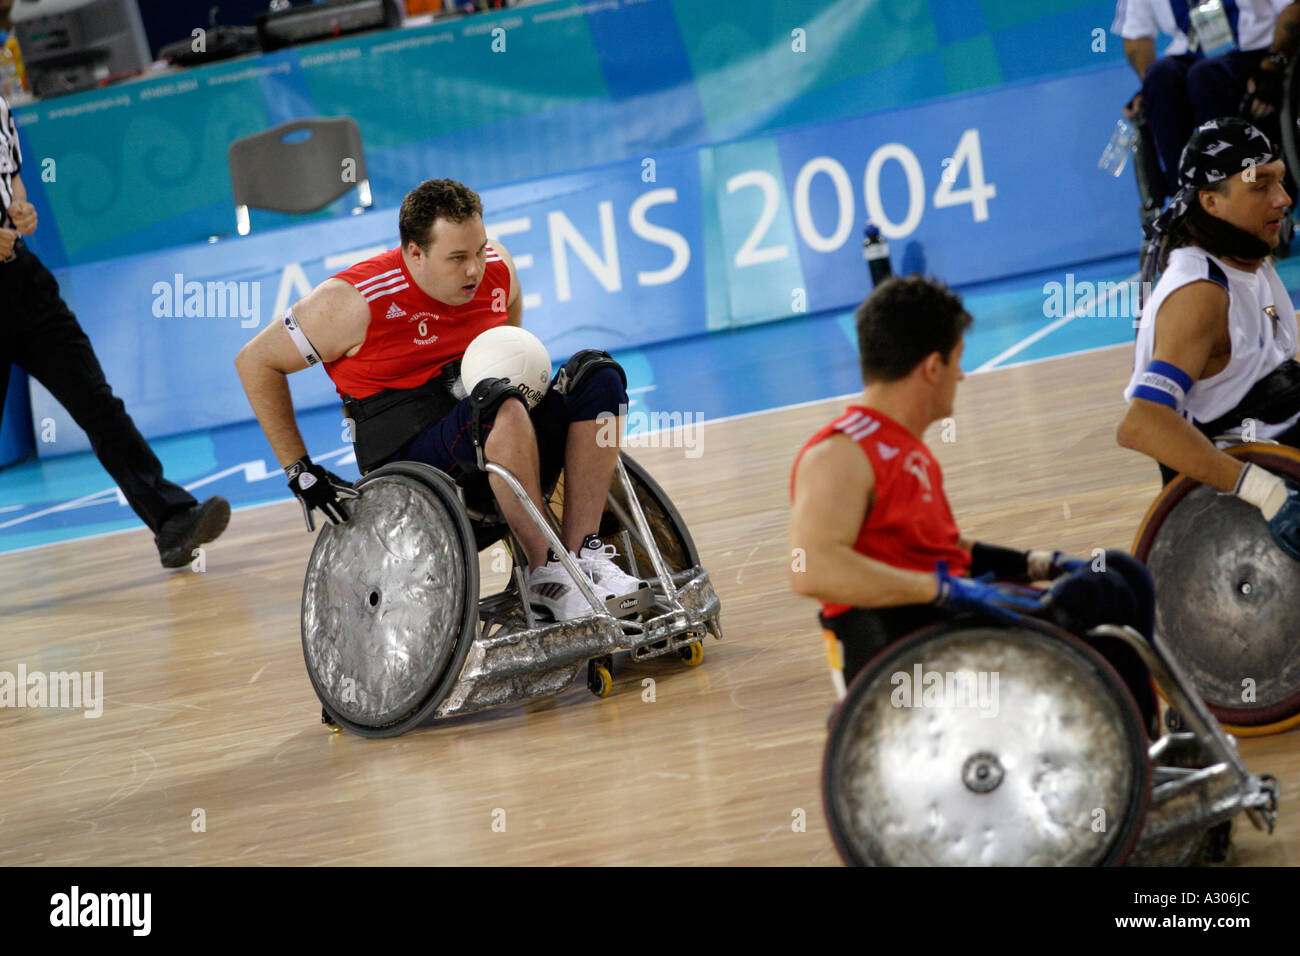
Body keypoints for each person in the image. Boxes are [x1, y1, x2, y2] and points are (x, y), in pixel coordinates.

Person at [234, 178, 646, 622]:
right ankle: (543, 570)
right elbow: (255, 361)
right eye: (457, 259)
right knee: (500, 404)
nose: (475, 270)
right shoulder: (353, 302)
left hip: (490, 420)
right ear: (415, 252)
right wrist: (300, 470)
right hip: (413, 451)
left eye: (479, 251)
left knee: (597, 375)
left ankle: (584, 553)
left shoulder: (497, 268)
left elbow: (512, 313)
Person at [788, 275, 1158, 731]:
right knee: (1103, 595)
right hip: (907, 650)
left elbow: (945, 549)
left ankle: (1146, 742)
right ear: (931, 367)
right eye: (958, 359)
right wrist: (941, 589)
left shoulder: (907, 451)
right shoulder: (840, 453)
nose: (961, 376)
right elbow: (811, 569)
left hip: (946, 626)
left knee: (1119, 571)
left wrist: (1042, 564)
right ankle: (1130, 751)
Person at [0, 87, 229, 568]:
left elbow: (13, 180)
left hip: (23, 280)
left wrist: (22, 209)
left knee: (97, 403)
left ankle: (172, 521)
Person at [1119, 117, 1300, 559]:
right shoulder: (1199, 295)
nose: (1284, 198)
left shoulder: (1249, 257)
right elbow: (1142, 424)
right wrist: (1264, 491)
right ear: (1211, 202)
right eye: (1260, 186)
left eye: (1280, 179)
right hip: (1241, 505)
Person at [1114, 0, 1300, 200]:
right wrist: (1147, 86)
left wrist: (1273, 64)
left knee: (1204, 78)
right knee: (1160, 78)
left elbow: (1293, 6)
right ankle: (1185, 196)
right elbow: (1136, 36)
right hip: (1191, 56)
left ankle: (1230, 189)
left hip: (1256, 51)